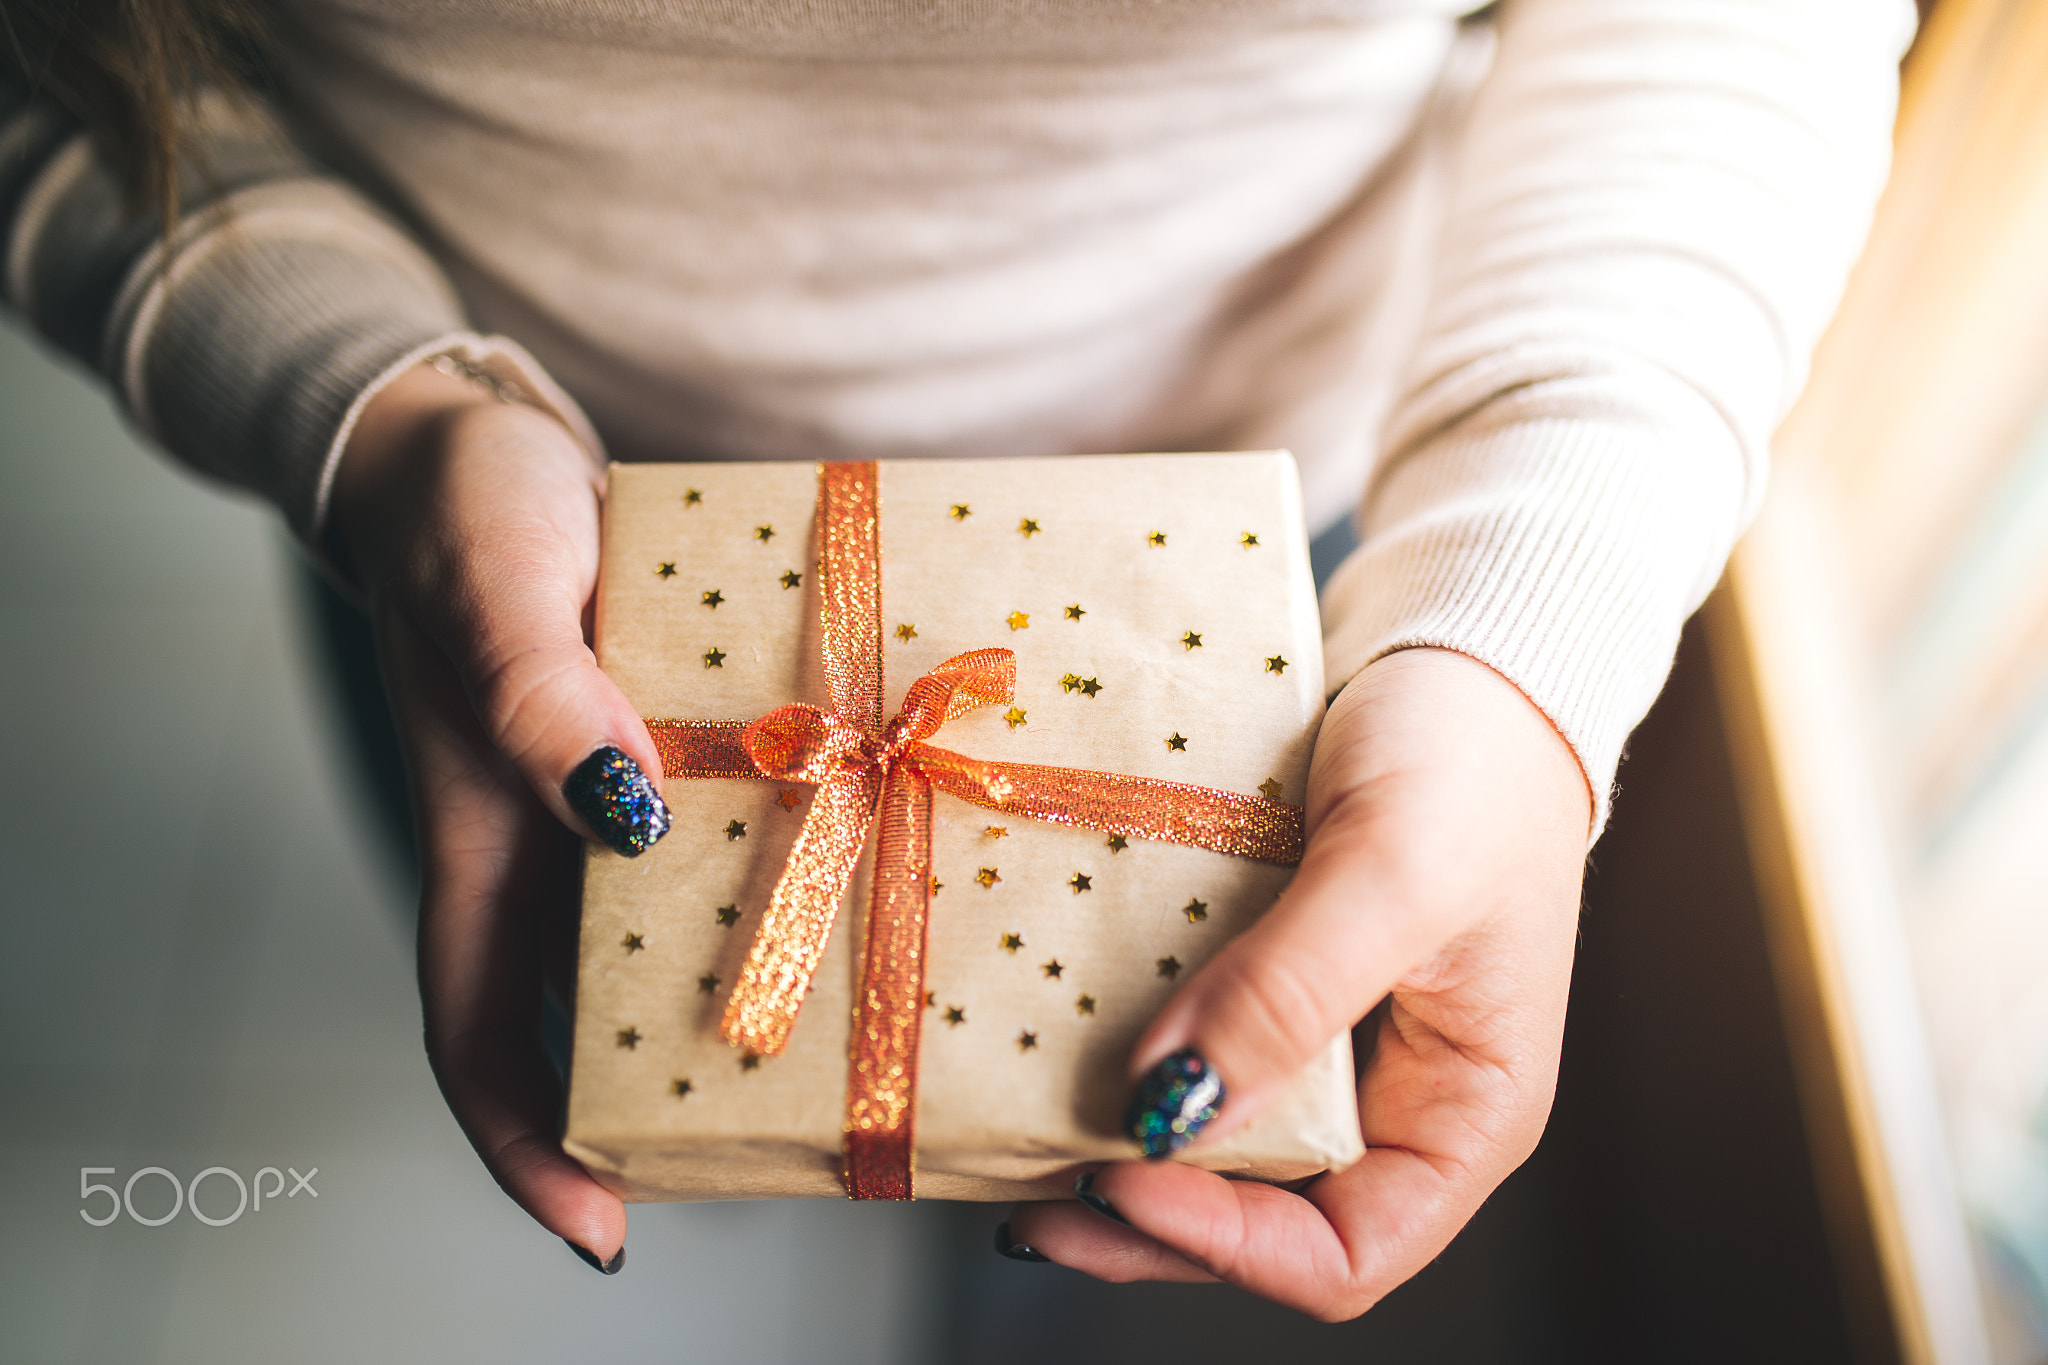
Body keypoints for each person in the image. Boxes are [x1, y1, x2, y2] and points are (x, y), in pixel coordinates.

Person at [0, 0, 1912, 1318]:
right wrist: (370, 411)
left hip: (1291, 596)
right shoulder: (470, 539)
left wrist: (1523, 627)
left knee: (1146, 1109)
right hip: (533, 609)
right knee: (639, 1045)